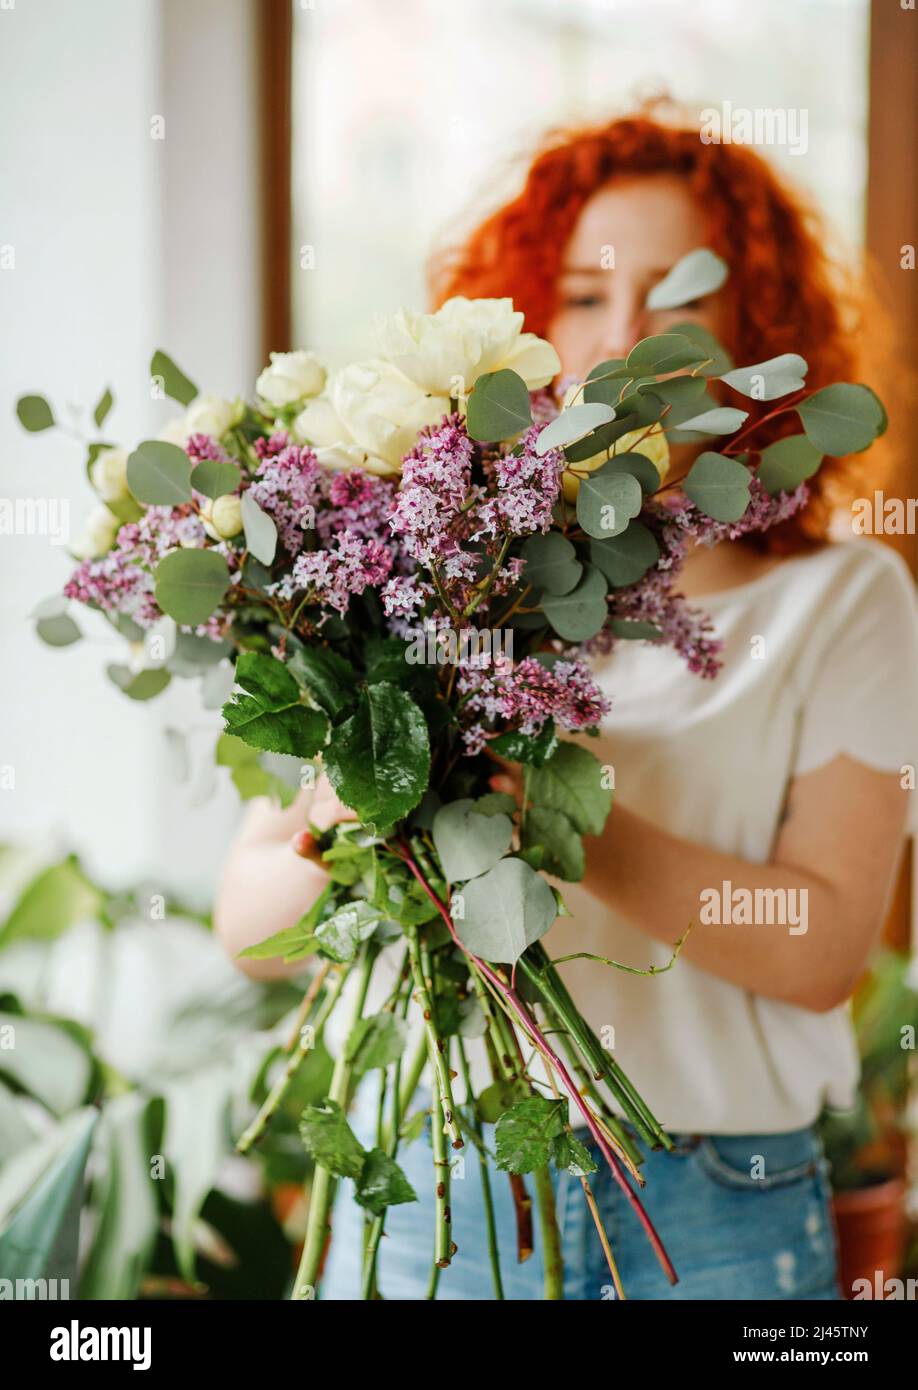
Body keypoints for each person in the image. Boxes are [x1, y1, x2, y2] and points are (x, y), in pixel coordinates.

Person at [215, 114, 918, 1300]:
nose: (629, 329)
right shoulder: (421, 570)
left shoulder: (845, 597)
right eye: (588, 293)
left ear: (760, 335)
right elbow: (249, 930)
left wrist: (553, 818)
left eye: (678, 292)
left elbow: (823, 955)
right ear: (530, 327)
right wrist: (377, 779)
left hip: (715, 1220)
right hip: (430, 1194)